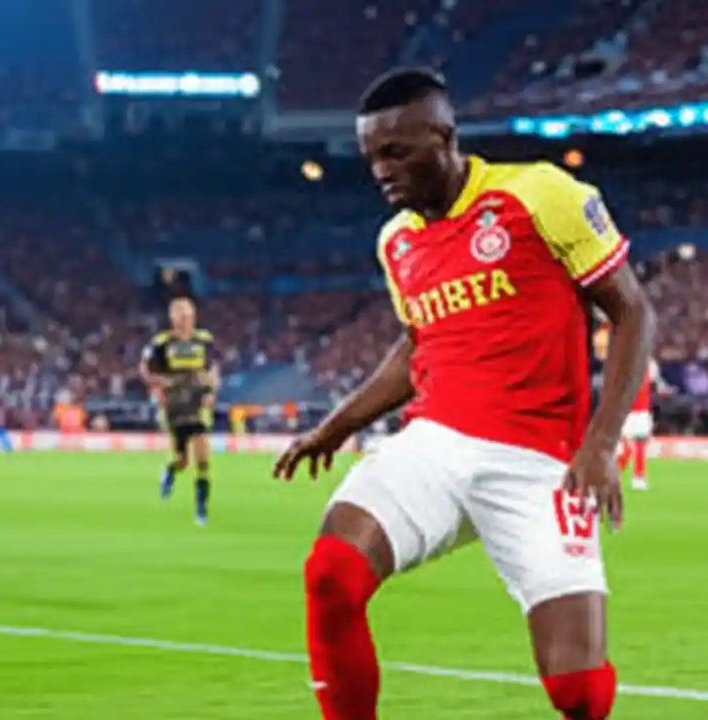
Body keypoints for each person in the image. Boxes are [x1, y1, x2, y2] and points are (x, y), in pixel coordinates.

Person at [273, 68, 655, 720]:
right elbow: (418, 345)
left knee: (581, 695)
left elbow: (634, 313)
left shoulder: (539, 193)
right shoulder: (396, 242)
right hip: (435, 446)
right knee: (332, 575)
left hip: (540, 460)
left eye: (396, 152)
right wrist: (336, 425)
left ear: (444, 137)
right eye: (372, 157)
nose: (381, 171)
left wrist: (600, 444)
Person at [139, 296, 219, 526]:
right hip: (175, 405)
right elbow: (145, 369)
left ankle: (201, 509)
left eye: (188, 316)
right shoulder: (162, 343)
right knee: (182, 459)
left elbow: (213, 368)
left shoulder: (204, 340)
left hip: (198, 402)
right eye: (180, 317)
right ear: (172, 318)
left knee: (203, 459)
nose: (185, 321)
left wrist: (212, 390)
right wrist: (160, 383)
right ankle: (171, 470)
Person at [595, 320, 660, 490]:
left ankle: (634, 475)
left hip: (635, 408)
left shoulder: (634, 361)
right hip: (629, 409)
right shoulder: (628, 361)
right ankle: (620, 476)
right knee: (628, 446)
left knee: (634, 445)